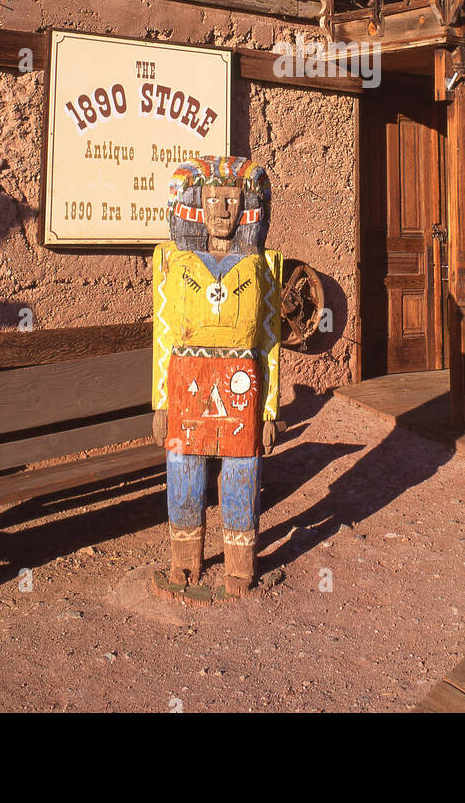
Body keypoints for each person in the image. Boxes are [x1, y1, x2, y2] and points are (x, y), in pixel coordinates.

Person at [151, 156, 282, 597]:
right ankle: (183, 566)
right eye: (213, 200)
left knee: (242, 475)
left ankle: (239, 571)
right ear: (196, 207)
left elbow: (268, 342)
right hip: (187, 384)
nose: (223, 210)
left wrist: (269, 409)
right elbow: (164, 333)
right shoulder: (174, 260)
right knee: (184, 471)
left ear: (246, 207)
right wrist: (161, 402)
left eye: (231, 199)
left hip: (241, 388)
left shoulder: (263, 264)